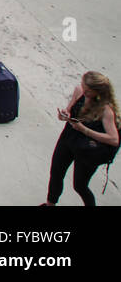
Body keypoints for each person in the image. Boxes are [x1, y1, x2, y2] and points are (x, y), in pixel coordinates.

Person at [43, 71, 120, 206]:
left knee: (79, 185)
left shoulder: (106, 110)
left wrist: (84, 129)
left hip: (87, 149)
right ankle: (50, 204)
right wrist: (64, 114)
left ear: (97, 92)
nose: (83, 92)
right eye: (83, 86)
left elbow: (114, 139)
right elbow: (69, 109)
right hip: (68, 139)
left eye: (87, 91)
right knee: (56, 172)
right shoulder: (79, 91)